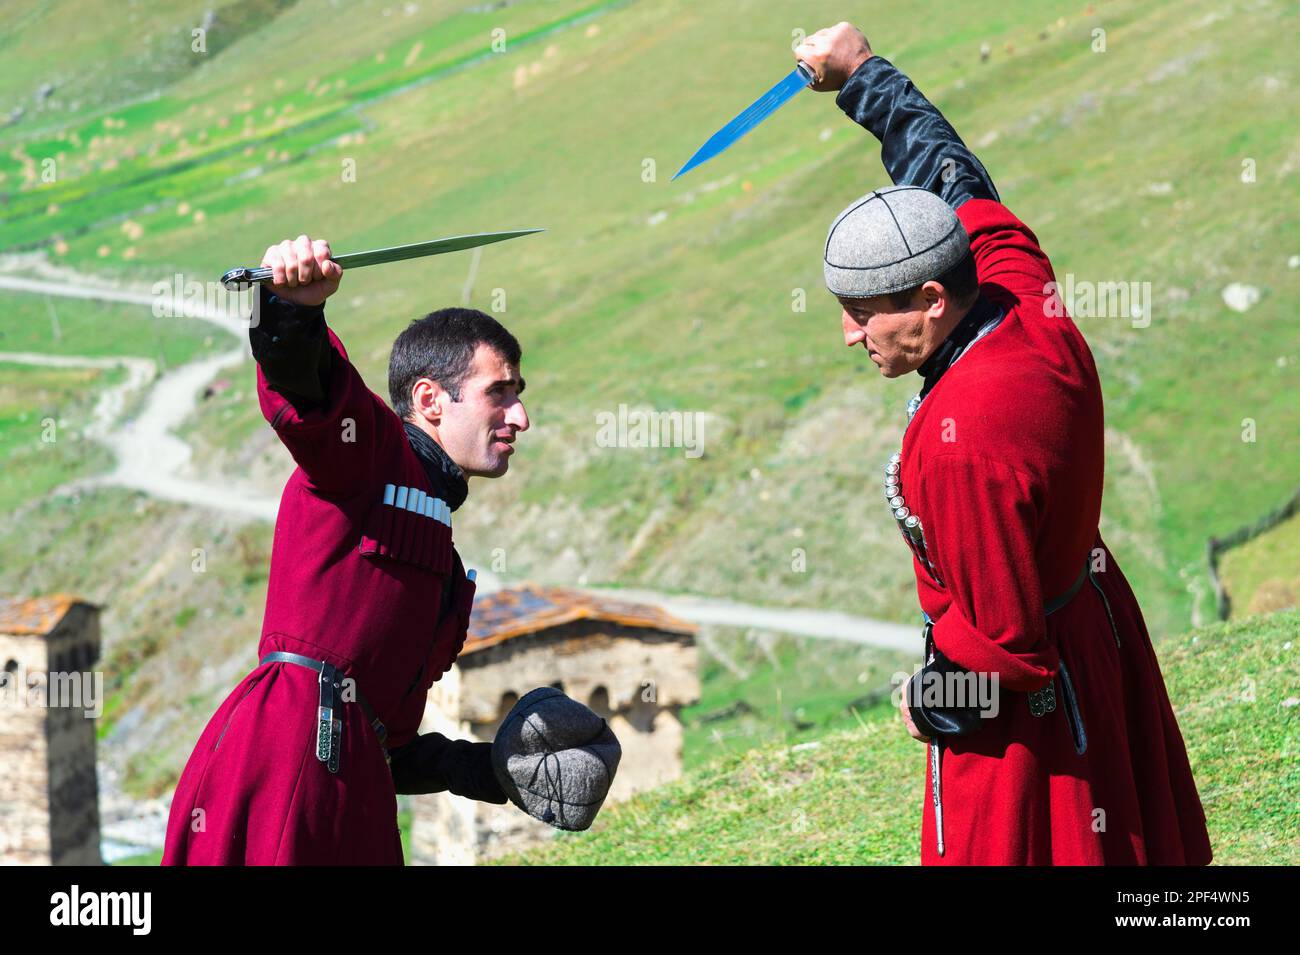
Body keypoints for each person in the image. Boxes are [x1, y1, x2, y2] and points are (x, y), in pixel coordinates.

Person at [795, 23, 1212, 865]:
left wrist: (929, 698)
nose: (848, 334)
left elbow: (1005, 648)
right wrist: (860, 75)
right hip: (1096, 626)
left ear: (933, 297)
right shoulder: (1019, 290)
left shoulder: (964, 445)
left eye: (865, 311)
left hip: (1039, 712)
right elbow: (951, 175)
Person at [163, 235, 530, 864]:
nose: (520, 417)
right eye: (501, 392)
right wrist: (291, 311)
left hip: (348, 789)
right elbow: (308, 392)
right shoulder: (367, 453)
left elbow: (385, 744)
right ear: (430, 400)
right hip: (283, 771)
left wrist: (493, 768)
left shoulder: (442, 562)